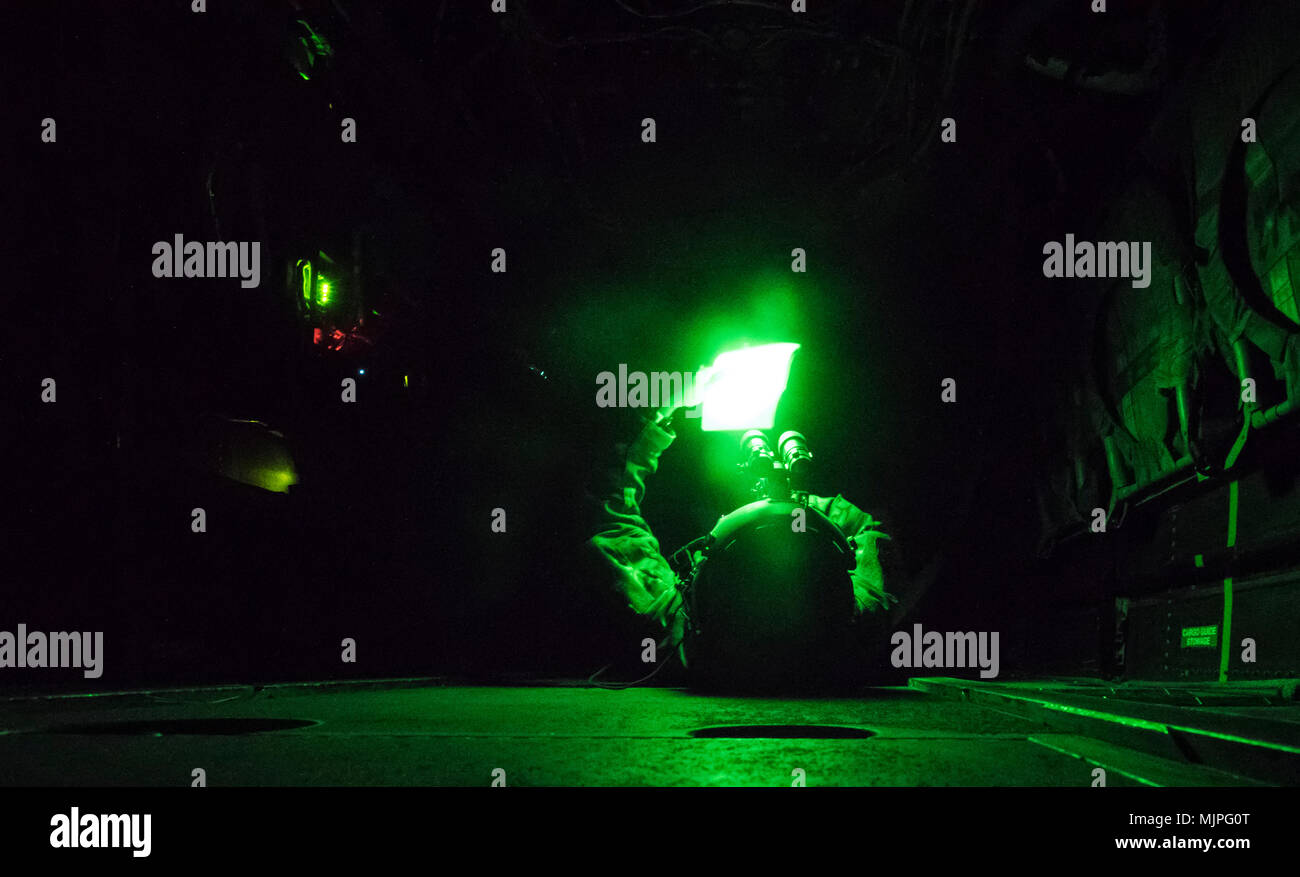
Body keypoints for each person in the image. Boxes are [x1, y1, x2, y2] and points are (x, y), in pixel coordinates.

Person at [584, 398, 898, 686]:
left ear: (704, 585)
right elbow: (870, 537)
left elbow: (613, 520)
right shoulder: (856, 634)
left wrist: (659, 409)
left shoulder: (684, 636)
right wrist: (805, 510)